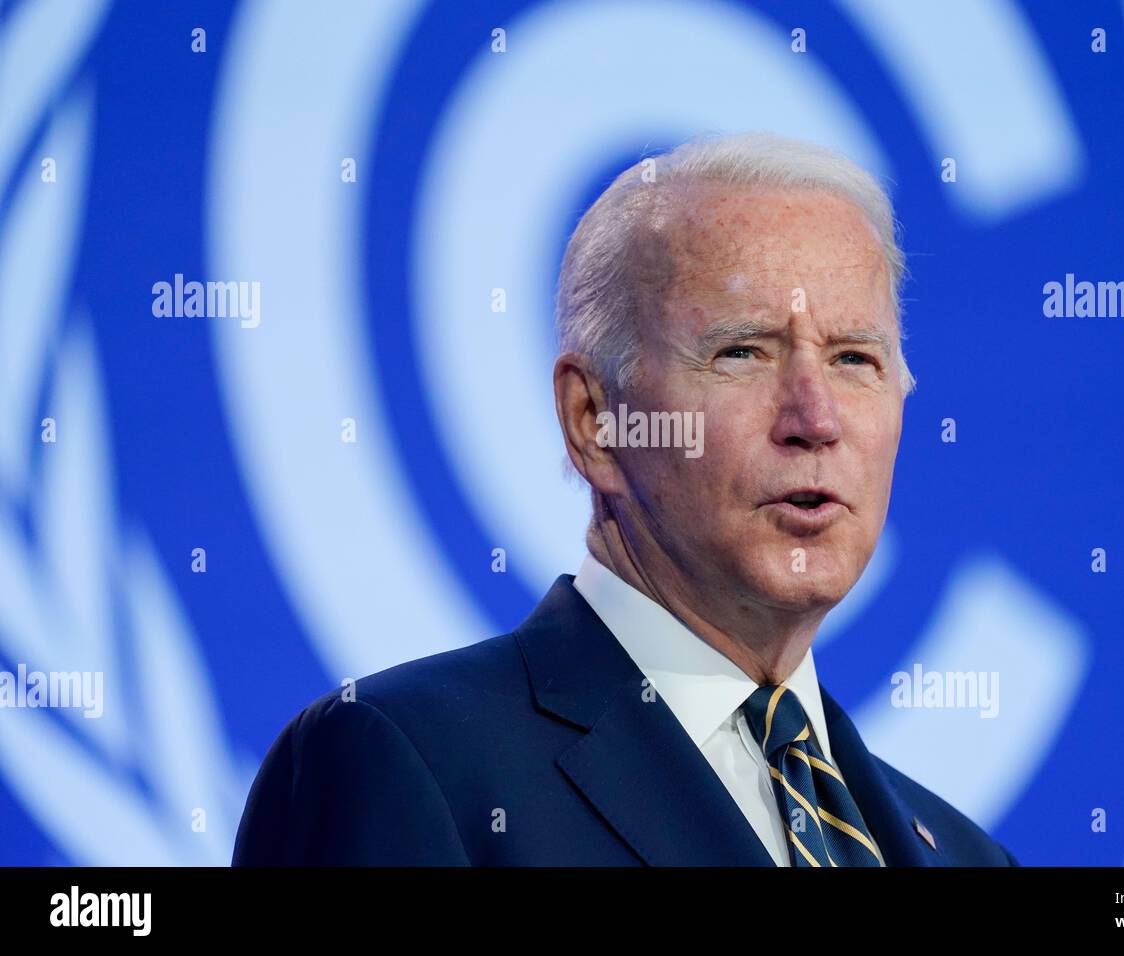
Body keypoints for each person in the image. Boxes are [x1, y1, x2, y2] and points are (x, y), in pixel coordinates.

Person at [232, 130, 1020, 867]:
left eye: (854, 359)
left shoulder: (965, 853)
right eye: (741, 351)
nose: (815, 419)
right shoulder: (404, 763)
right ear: (595, 421)